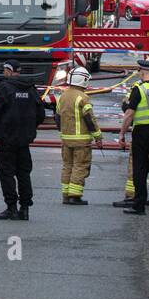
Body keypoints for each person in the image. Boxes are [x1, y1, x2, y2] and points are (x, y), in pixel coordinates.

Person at [0, 60, 45, 220]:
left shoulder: (4, 88)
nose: (3, 72)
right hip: (24, 141)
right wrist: (29, 130)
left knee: (6, 173)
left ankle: (11, 207)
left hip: (6, 140)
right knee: (24, 174)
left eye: (4, 69)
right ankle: (24, 208)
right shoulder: (31, 89)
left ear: (9, 71)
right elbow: (41, 115)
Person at [55, 65, 102, 204]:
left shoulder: (62, 96)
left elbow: (57, 118)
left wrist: (63, 132)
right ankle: (74, 196)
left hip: (66, 139)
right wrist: (98, 136)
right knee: (80, 166)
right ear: (84, 81)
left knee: (67, 166)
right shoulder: (83, 97)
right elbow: (90, 119)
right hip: (81, 140)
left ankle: (66, 194)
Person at [118, 57, 149, 216]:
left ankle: (139, 205)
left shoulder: (139, 89)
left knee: (140, 168)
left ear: (143, 71)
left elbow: (129, 113)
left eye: (138, 70)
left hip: (142, 132)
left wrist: (122, 133)